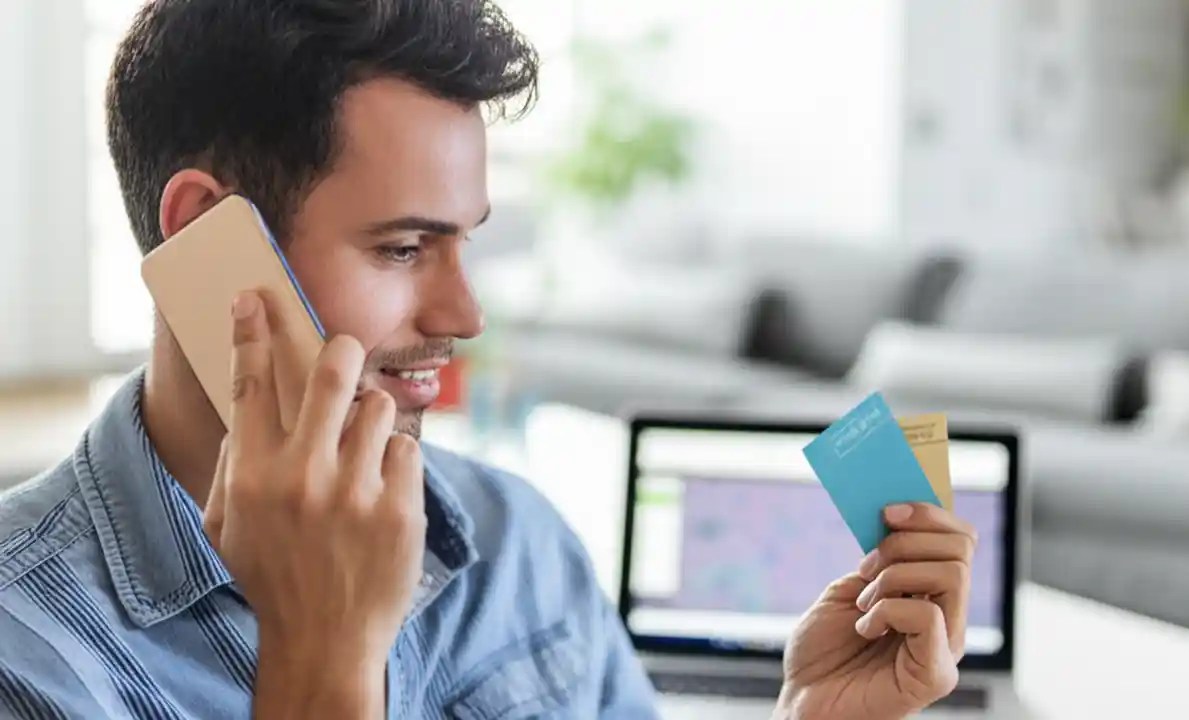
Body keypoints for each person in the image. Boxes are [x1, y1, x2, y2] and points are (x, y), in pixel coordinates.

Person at [0, 1, 978, 718]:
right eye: (401, 248)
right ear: (208, 240)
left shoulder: (518, 543)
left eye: (465, 240)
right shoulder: (29, 661)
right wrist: (322, 657)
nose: (462, 312)